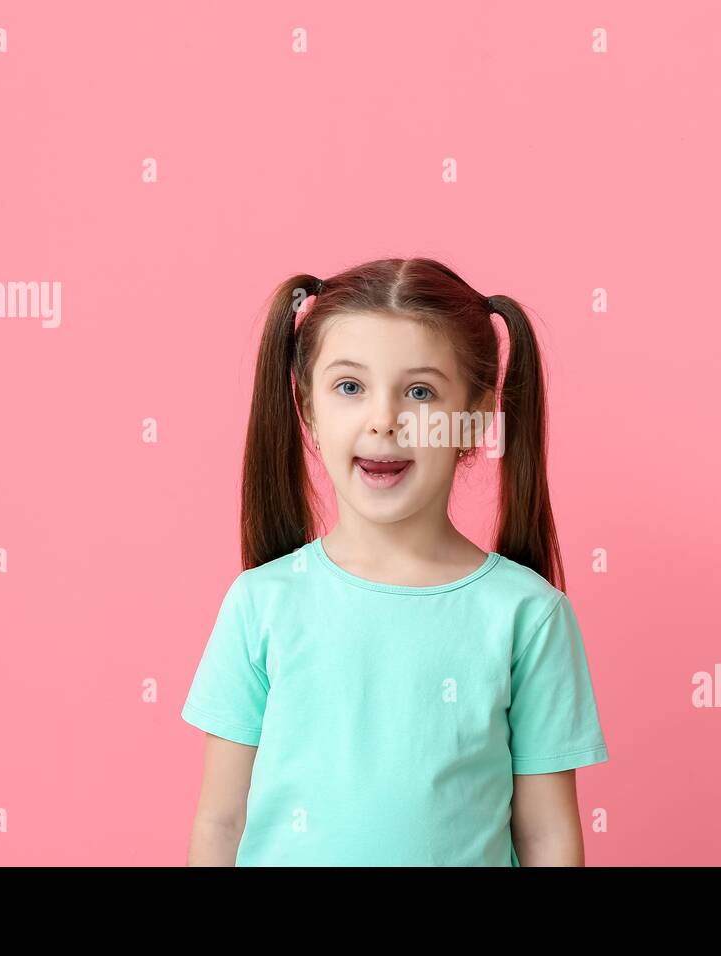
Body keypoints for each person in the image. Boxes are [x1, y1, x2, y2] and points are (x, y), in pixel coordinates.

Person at [182, 257, 609, 866]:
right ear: (307, 406)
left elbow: (546, 836)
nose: (384, 421)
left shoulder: (528, 616)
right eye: (350, 387)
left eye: (420, 392)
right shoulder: (261, 603)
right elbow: (222, 821)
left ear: (477, 416)